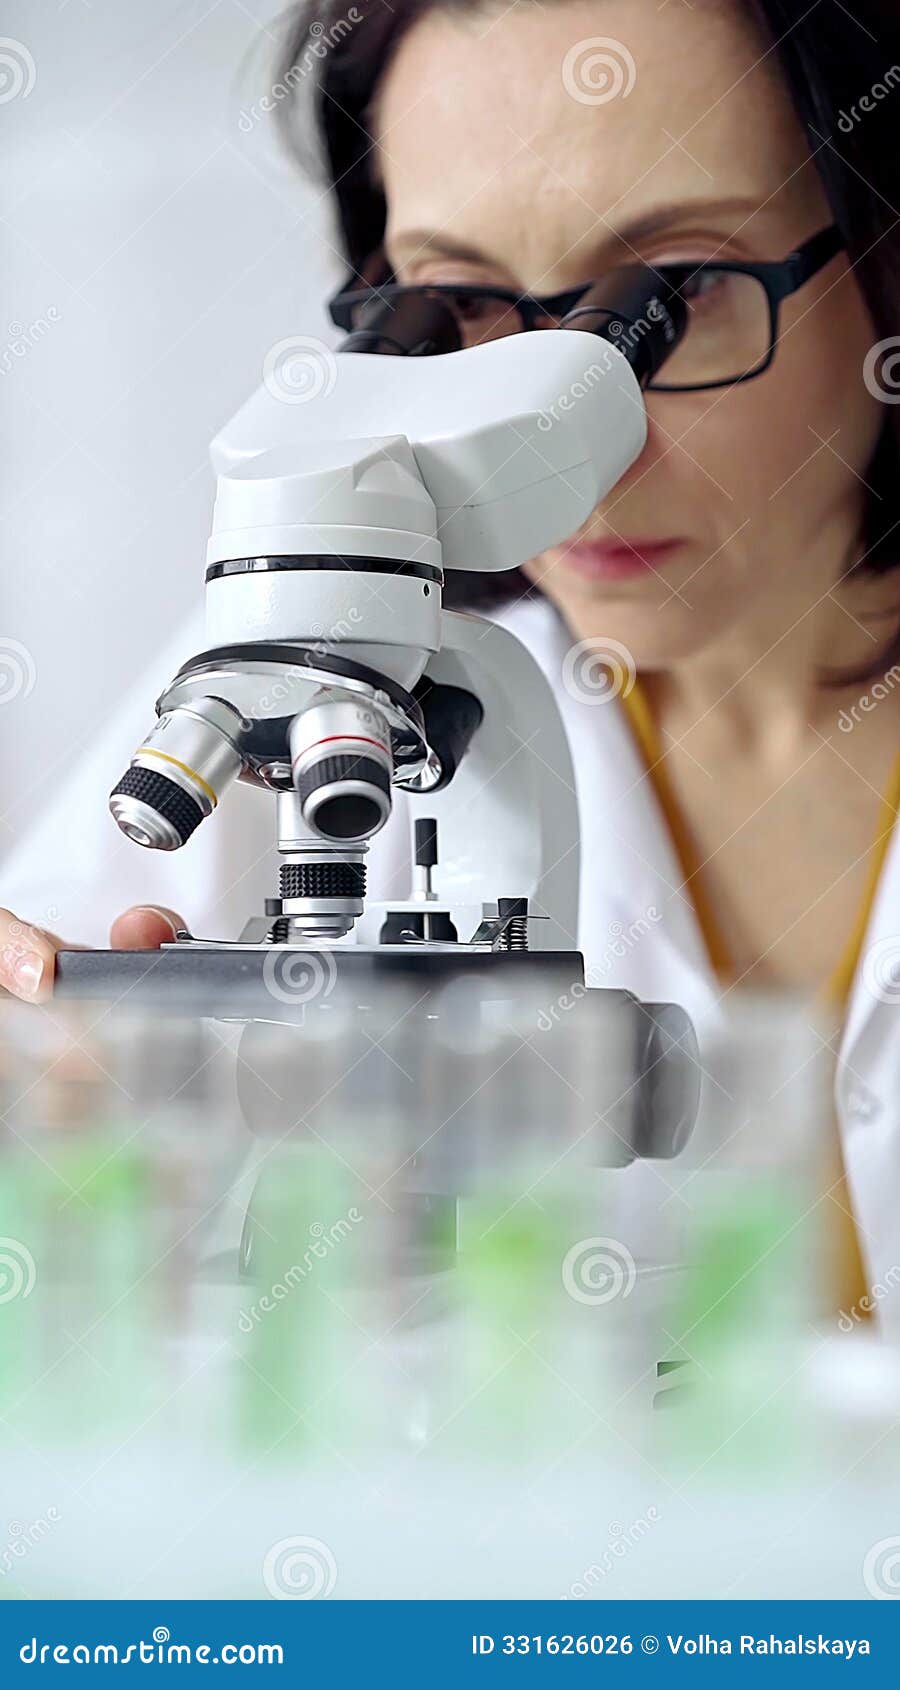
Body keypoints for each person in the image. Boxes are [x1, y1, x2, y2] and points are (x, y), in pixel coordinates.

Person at [3, 0, 900, 1319]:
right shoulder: (334, 665)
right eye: (455, 307)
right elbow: (56, 1060)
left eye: (669, 299)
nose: (577, 452)